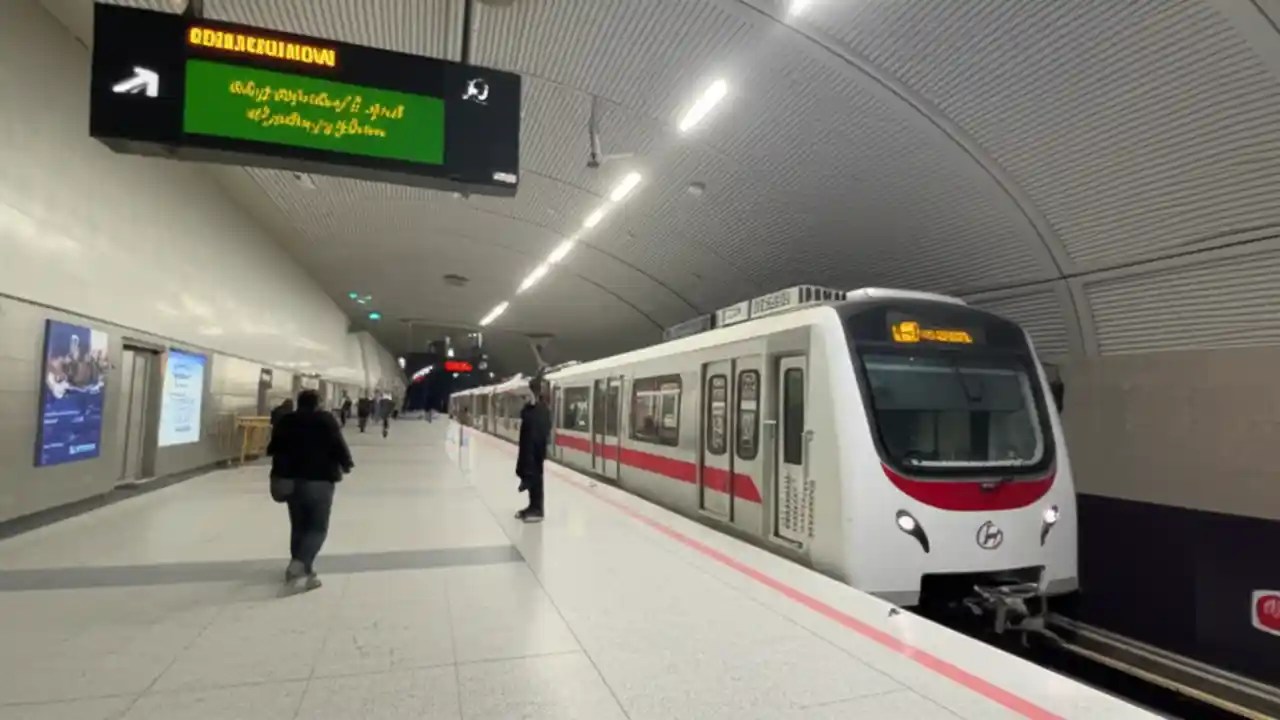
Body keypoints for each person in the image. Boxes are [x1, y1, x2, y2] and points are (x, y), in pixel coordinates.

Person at [267, 390, 353, 590]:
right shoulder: (325, 420)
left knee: (299, 526)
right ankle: (298, 566)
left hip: (291, 481)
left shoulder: (287, 420)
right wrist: (346, 463)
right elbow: (338, 444)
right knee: (317, 528)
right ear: (318, 403)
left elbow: (272, 448)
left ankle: (305, 568)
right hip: (319, 480)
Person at [515, 378, 552, 523]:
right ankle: (532, 506)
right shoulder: (534, 409)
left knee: (535, 479)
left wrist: (532, 454)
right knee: (532, 480)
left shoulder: (541, 410)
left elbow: (537, 433)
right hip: (529, 452)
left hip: (534, 452)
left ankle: (537, 509)